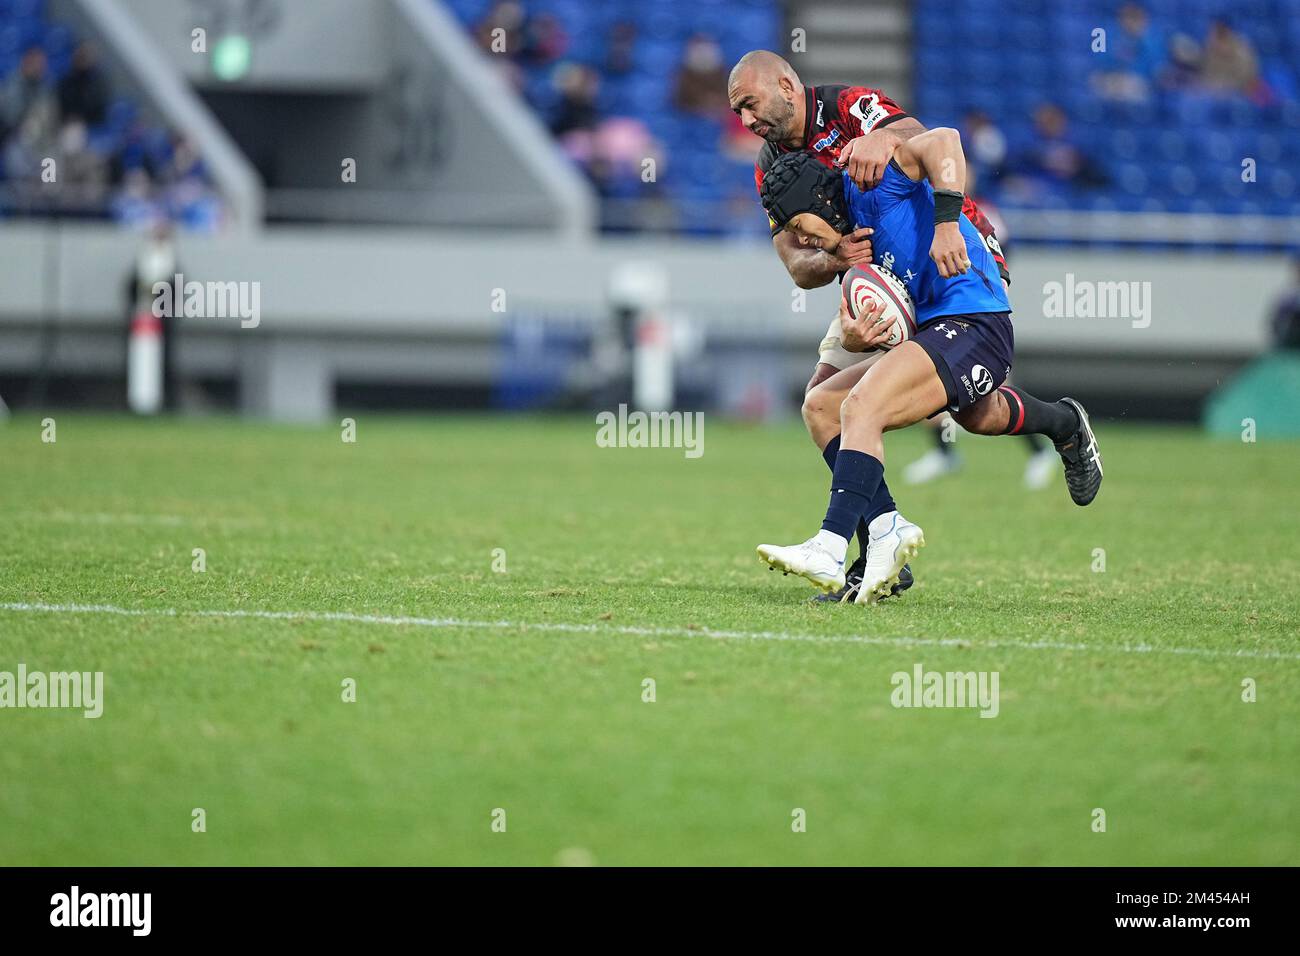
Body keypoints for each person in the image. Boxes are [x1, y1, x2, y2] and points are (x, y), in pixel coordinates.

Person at [725, 51, 1036, 600]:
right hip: (871, 276)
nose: (746, 121)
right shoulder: (769, 166)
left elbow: (931, 141)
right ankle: (882, 537)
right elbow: (798, 266)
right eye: (738, 112)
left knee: (934, 410)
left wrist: (885, 139)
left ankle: (839, 542)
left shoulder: (848, 109)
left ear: (786, 86)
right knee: (822, 406)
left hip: (942, 267)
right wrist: (836, 257)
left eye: (750, 104)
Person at [754, 132, 1103, 603]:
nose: (803, 238)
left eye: (801, 223)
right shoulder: (851, 245)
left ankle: (831, 545)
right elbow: (872, 308)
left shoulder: (873, 182)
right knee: (825, 406)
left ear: (819, 199)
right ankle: (1063, 423)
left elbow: (945, 141)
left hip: (975, 320)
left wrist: (947, 225)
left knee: (863, 407)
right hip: (933, 330)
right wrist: (858, 336)